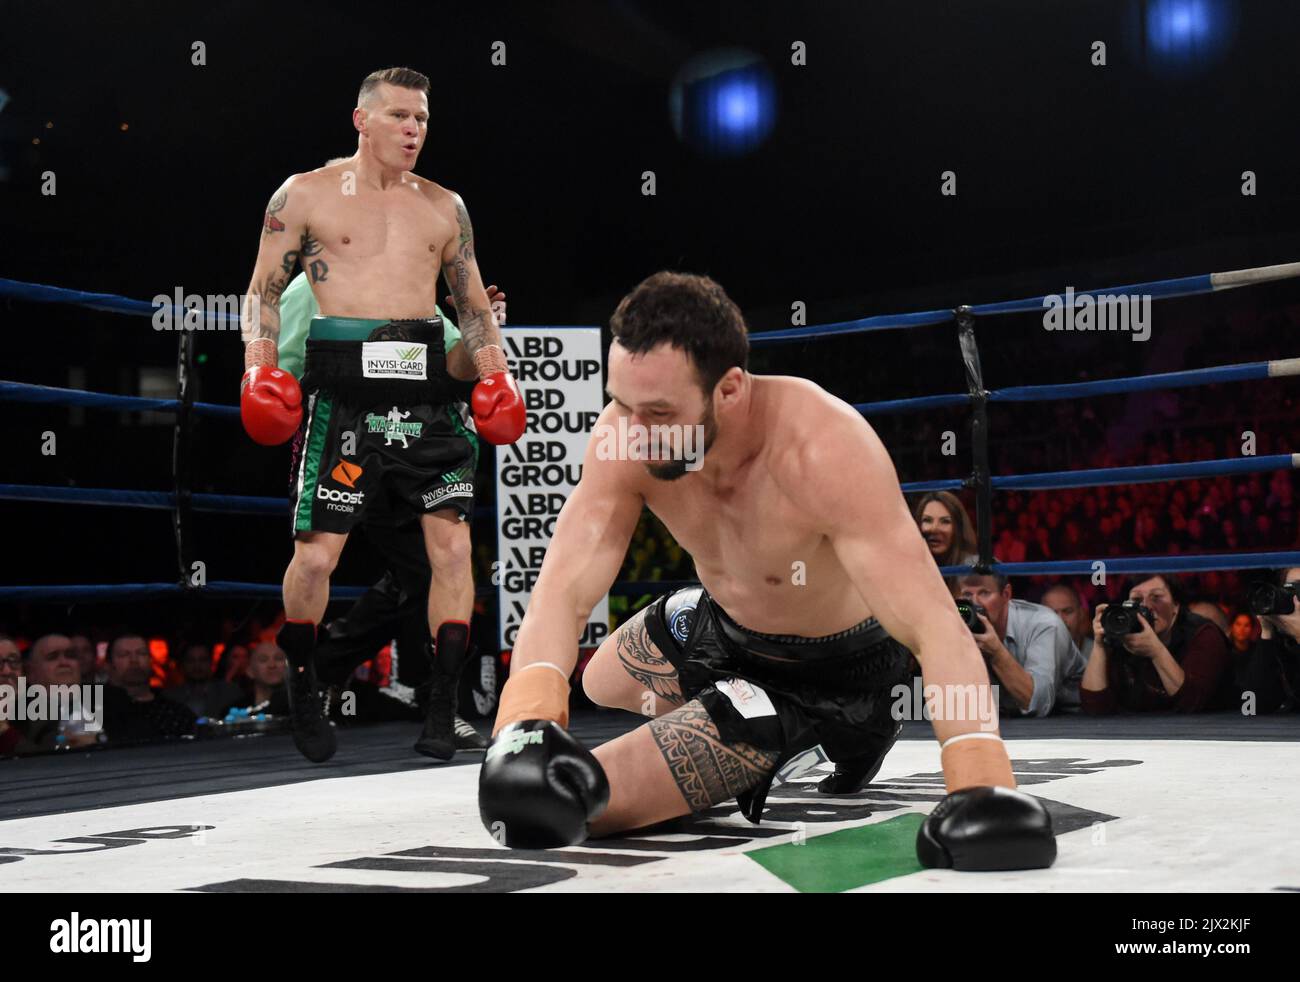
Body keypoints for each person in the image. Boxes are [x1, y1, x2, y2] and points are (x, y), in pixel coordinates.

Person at [478, 272, 1055, 871]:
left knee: (572, 807)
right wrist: (524, 721)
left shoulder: (823, 447)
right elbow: (563, 589)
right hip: (725, 623)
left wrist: (978, 779)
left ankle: (794, 730)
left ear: (728, 390)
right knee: (601, 679)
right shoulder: (625, 434)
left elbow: (934, 625)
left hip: (834, 668)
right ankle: (736, 714)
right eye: (620, 401)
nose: (633, 430)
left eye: (657, 412)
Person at [238, 67, 524, 763]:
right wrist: (258, 368)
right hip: (344, 395)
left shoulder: (444, 207)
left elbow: (474, 310)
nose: (413, 129)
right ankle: (305, 681)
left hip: (428, 394)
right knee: (316, 556)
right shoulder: (303, 195)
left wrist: (497, 377)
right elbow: (263, 294)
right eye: (398, 116)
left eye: (422, 118)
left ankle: (442, 707)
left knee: (452, 548)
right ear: (361, 120)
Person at [272, 194, 503, 754]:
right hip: (346, 439)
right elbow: (286, 382)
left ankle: (440, 703)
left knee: (433, 567)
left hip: (417, 438)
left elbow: (454, 374)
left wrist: (481, 331)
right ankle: (311, 679)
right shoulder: (309, 291)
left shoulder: (415, 289)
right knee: (329, 560)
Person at [1080, 574, 1232, 713]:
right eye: (1137, 600)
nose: (1146, 606)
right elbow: (1094, 707)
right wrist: (1100, 646)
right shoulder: (1122, 634)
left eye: (1156, 597)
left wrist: (1156, 651)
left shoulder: (1203, 634)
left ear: (1176, 607)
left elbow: (1191, 703)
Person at [955, 570, 1086, 716]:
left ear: (1006, 594)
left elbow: (1038, 705)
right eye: (967, 595)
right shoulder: (958, 623)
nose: (975, 603)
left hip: (1068, 722)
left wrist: (997, 653)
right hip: (1001, 719)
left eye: (984, 593)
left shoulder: (1044, 624)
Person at [101, 634, 197, 745]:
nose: (134, 660)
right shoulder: (92, 707)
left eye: (141, 653)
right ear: (108, 665)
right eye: (124, 655)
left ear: (151, 661)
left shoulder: (175, 713)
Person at [167, 642, 244, 719]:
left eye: (202, 660)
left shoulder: (229, 693)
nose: (197, 665)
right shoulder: (170, 698)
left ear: (211, 663)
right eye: (191, 660)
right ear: (183, 664)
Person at [1042, 582, 1094, 662]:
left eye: (1068, 611)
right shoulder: (1032, 653)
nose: (1061, 619)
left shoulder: (1096, 652)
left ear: (1081, 613)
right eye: (1052, 613)